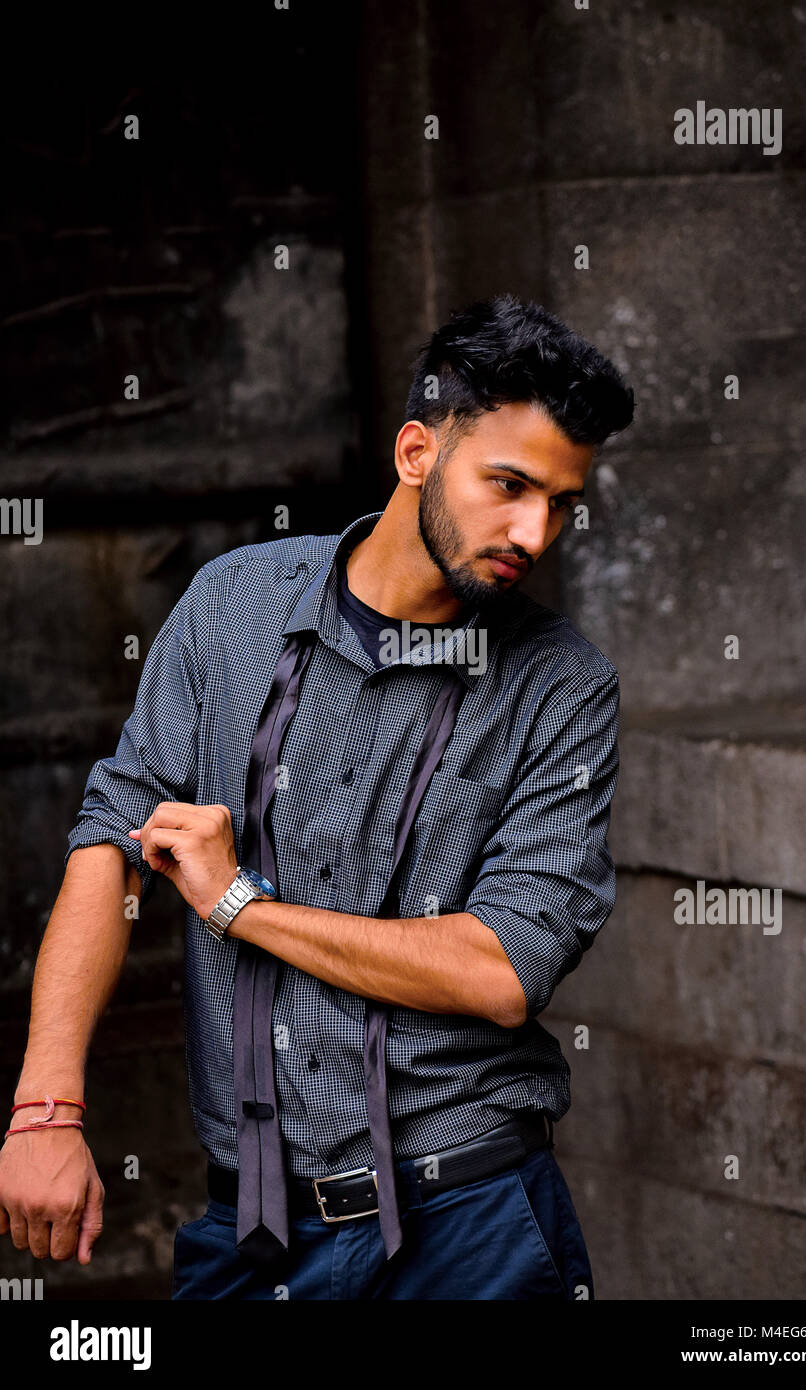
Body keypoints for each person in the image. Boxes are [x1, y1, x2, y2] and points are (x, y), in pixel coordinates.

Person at [0, 292, 634, 1300]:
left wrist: (237, 904)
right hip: (253, 1232)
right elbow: (110, 841)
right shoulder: (230, 605)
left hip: (468, 1223)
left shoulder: (561, 684)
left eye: (560, 503)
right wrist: (47, 1110)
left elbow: (501, 967)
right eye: (507, 484)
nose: (532, 530)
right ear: (416, 452)